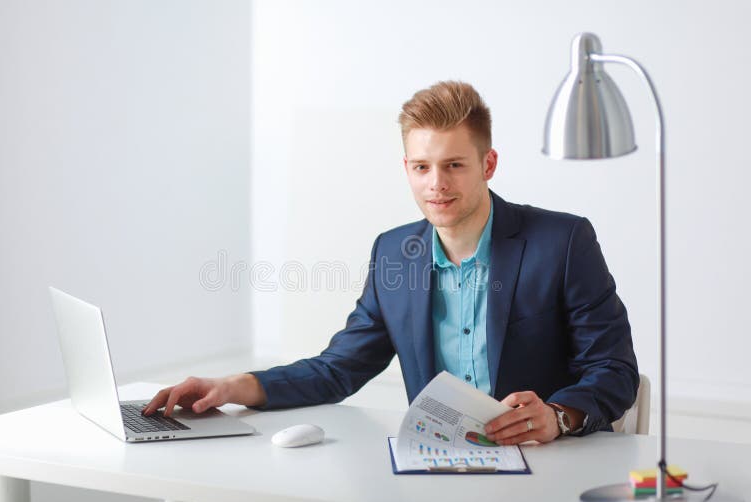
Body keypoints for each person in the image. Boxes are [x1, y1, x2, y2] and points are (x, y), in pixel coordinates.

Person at [143, 81, 639, 445]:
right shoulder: (393, 252)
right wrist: (229, 386)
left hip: (547, 462)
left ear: (488, 164)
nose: (436, 184)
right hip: (439, 462)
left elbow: (614, 369)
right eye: (422, 167)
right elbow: (338, 369)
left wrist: (559, 415)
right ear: (407, 169)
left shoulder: (563, 241)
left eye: (454, 165)